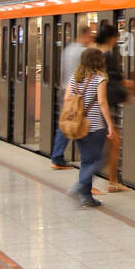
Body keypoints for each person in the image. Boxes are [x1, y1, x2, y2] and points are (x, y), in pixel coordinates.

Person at [66, 48, 116, 209]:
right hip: (95, 126)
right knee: (98, 160)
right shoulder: (100, 78)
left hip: (78, 125)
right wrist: (110, 124)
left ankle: (86, 197)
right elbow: (102, 102)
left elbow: (67, 98)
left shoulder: (74, 78)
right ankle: (80, 186)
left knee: (86, 160)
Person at [95, 22, 133, 193]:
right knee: (113, 142)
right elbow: (117, 79)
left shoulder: (93, 53)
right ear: (111, 38)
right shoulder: (108, 56)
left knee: (106, 142)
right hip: (109, 104)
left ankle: (111, 181)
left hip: (97, 103)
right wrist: (128, 89)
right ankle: (112, 181)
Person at [50, 24, 94, 169]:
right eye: (90, 35)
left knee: (66, 121)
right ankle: (59, 157)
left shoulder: (67, 50)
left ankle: (57, 156)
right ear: (86, 35)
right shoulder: (84, 51)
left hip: (67, 91)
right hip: (78, 94)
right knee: (76, 123)